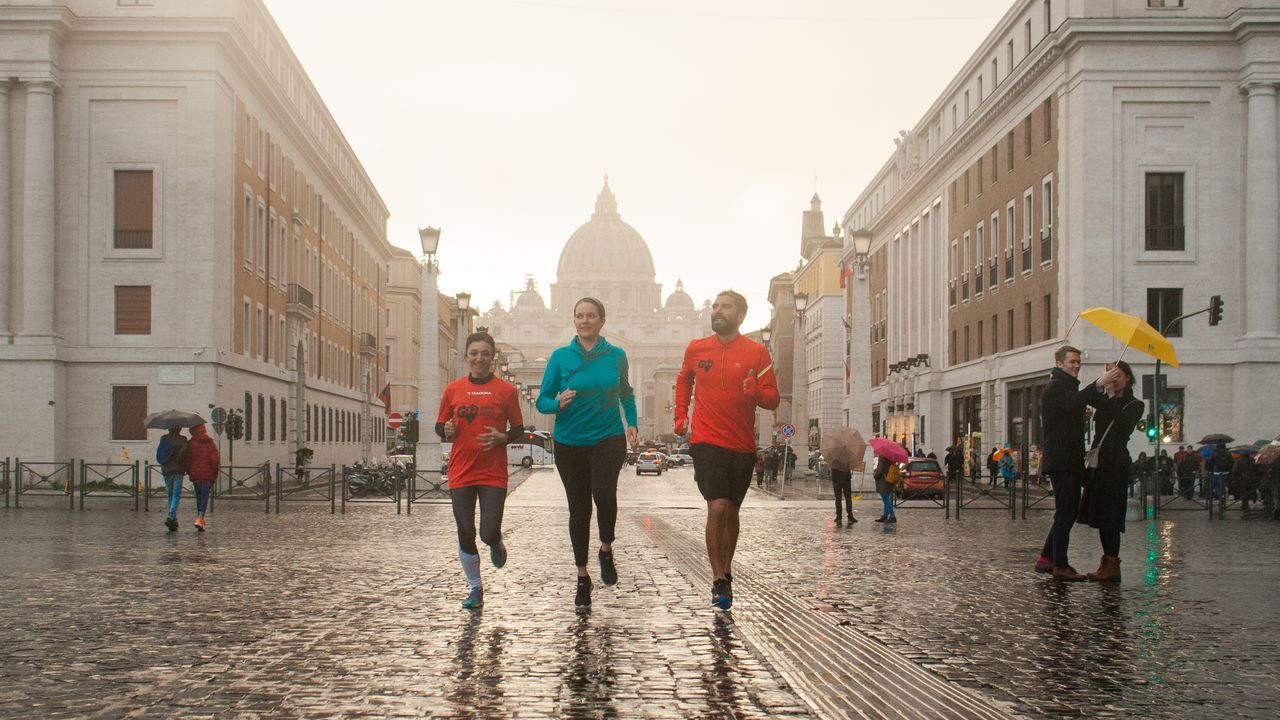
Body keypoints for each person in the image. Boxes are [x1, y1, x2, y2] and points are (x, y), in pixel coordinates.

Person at [673, 290, 779, 610]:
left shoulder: (757, 353)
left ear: (741, 316)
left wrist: (755, 391)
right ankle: (718, 578)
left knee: (732, 512)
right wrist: (681, 415)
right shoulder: (696, 348)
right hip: (706, 441)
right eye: (715, 306)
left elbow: (773, 399)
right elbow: (682, 382)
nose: (717, 311)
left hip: (742, 444)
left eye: (725, 307)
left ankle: (727, 569)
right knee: (716, 507)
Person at [536, 297, 638, 610]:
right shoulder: (559, 357)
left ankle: (606, 548)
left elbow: (626, 393)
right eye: (579, 316)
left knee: (604, 493)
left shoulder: (617, 355)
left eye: (590, 316)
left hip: (608, 436)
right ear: (574, 320)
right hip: (569, 441)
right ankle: (582, 577)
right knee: (579, 510)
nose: (584, 321)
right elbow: (541, 400)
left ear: (601, 320)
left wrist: (631, 423)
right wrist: (557, 404)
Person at [438, 331, 525, 610]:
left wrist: (503, 438)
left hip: (492, 472)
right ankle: (476, 587)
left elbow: (519, 429)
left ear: (493, 358)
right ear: (466, 356)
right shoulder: (453, 389)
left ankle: (496, 543)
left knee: (487, 532)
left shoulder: (507, 390)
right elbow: (440, 426)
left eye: (485, 354)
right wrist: (447, 429)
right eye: (474, 353)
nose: (479, 359)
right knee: (465, 530)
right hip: (461, 470)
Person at [1034, 345, 1123, 581]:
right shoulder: (1056, 385)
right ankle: (1060, 565)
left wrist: (1102, 388)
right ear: (1060, 363)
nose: (1076, 365)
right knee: (1066, 512)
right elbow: (1075, 402)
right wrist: (1099, 382)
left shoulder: (1066, 386)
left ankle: (1046, 558)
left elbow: (1075, 404)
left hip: (1068, 458)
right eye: (1072, 361)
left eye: (1078, 361)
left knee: (1068, 511)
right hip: (1062, 459)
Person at [1077, 360, 1143, 582]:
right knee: (1100, 513)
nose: (1115, 380)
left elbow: (1123, 425)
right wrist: (1101, 384)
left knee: (1111, 515)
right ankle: (1106, 560)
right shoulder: (1103, 399)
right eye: (1111, 375)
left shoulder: (1134, 404)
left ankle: (1113, 563)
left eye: (1118, 376)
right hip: (1100, 459)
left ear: (1128, 378)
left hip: (1116, 462)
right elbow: (1085, 398)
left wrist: (1113, 396)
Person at [185, 423, 220, 532]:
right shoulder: (210, 443)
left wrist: (189, 471)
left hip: (195, 475)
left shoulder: (190, 444)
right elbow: (214, 460)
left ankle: (199, 518)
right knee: (204, 498)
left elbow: (187, 460)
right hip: (207, 475)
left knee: (199, 498)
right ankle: (200, 518)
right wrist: (214, 474)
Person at [155, 427, 189, 532]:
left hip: (167, 470)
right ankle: (171, 516)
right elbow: (187, 455)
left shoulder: (164, 438)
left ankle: (173, 517)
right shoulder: (183, 439)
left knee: (170, 493)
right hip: (178, 470)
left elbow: (159, 455)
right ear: (179, 429)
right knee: (176, 494)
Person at [872, 454, 897, 523]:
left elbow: (880, 470)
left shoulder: (882, 456)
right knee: (887, 499)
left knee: (886, 500)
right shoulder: (891, 456)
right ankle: (885, 515)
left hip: (883, 481)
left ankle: (892, 516)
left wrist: (875, 475)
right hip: (889, 479)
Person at [830, 462, 855, 526]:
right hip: (845, 477)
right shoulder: (847, 455)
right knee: (848, 497)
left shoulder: (833, 455)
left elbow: (831, 465)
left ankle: (839, 516)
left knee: (838, 498)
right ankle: (850, 515)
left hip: (837, 478)